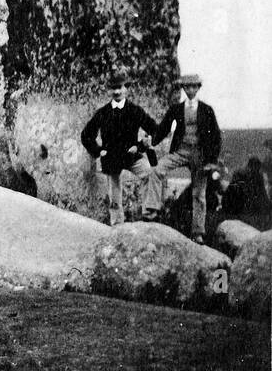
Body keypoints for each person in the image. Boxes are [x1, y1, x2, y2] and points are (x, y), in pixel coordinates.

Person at [80, 72, 162, 225]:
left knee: (149, 174)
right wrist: (98, 151)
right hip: (111, 158)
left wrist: (139, 145)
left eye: (120, 88)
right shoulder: (103, 113)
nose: (116, 92)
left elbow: (155, 130)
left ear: (126, 89)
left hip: (132, 156)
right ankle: (117, 225)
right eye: (113, 88)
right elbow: (86, 135)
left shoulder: (135, 110)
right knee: (114, 194)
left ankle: (149, 217)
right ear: (109, 91)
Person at [153, 73, 222, 244]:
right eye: (187, 87)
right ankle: (151, 211)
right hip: (181, 151)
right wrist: (152, 142)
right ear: (183, 88)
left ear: (198, 88)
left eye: (194, 86)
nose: (190, 90)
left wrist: (211, 160)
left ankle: (198, 232)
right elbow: (163, 128)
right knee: (157, 169)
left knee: (199, 194)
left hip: (200, 154)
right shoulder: (177, 109)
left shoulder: (207, 110)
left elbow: (216, 136)